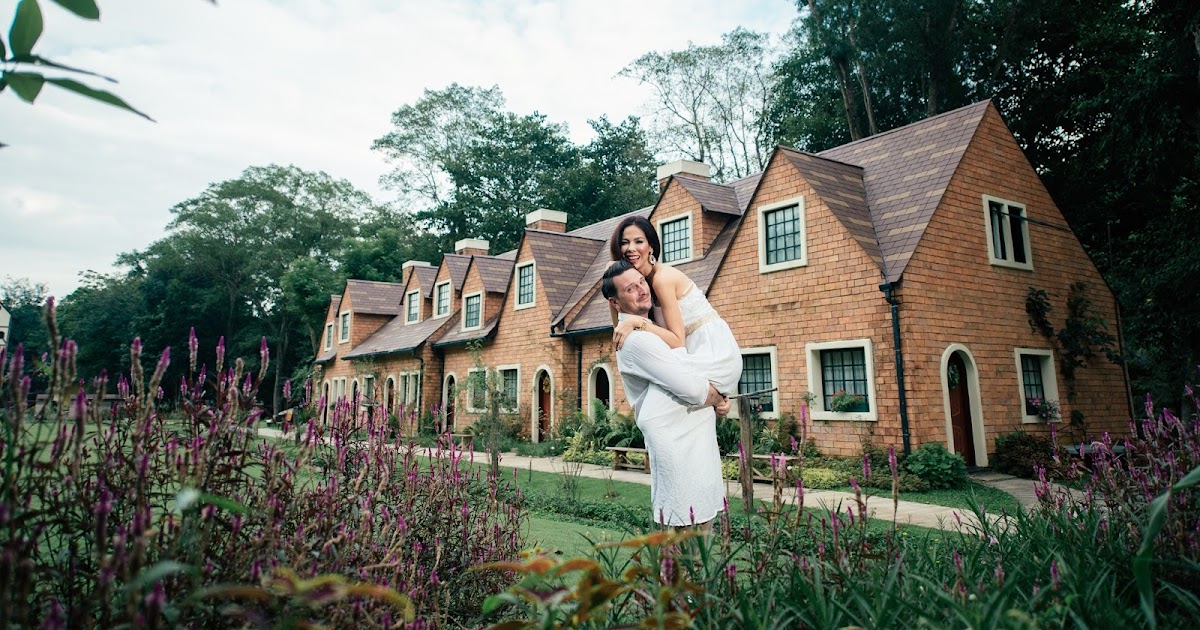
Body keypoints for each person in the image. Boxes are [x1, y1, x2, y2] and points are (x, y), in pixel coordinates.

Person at [602, 260, 729, 527]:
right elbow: (689, 387)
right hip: (676, 439)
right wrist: (719, 397)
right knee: (680, 526)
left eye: (641, 282)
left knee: (701, 524)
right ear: (615, 303)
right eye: (630, 289)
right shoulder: (636, 340)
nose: (641, 290)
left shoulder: (647, 328)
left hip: (691, 432)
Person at [608, 215, 742, 399]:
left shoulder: (662, 279)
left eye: (638, 241)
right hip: (690, 351)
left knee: (655, 367)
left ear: (651, 247)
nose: (631, 248)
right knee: (650, 365)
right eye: (625, 243)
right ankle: (717, 400)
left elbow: (677, 341)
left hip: (714, 353)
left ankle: (716, 399)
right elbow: (620, 329)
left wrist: (638, 323)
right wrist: (609, 280)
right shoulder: (642, 285)